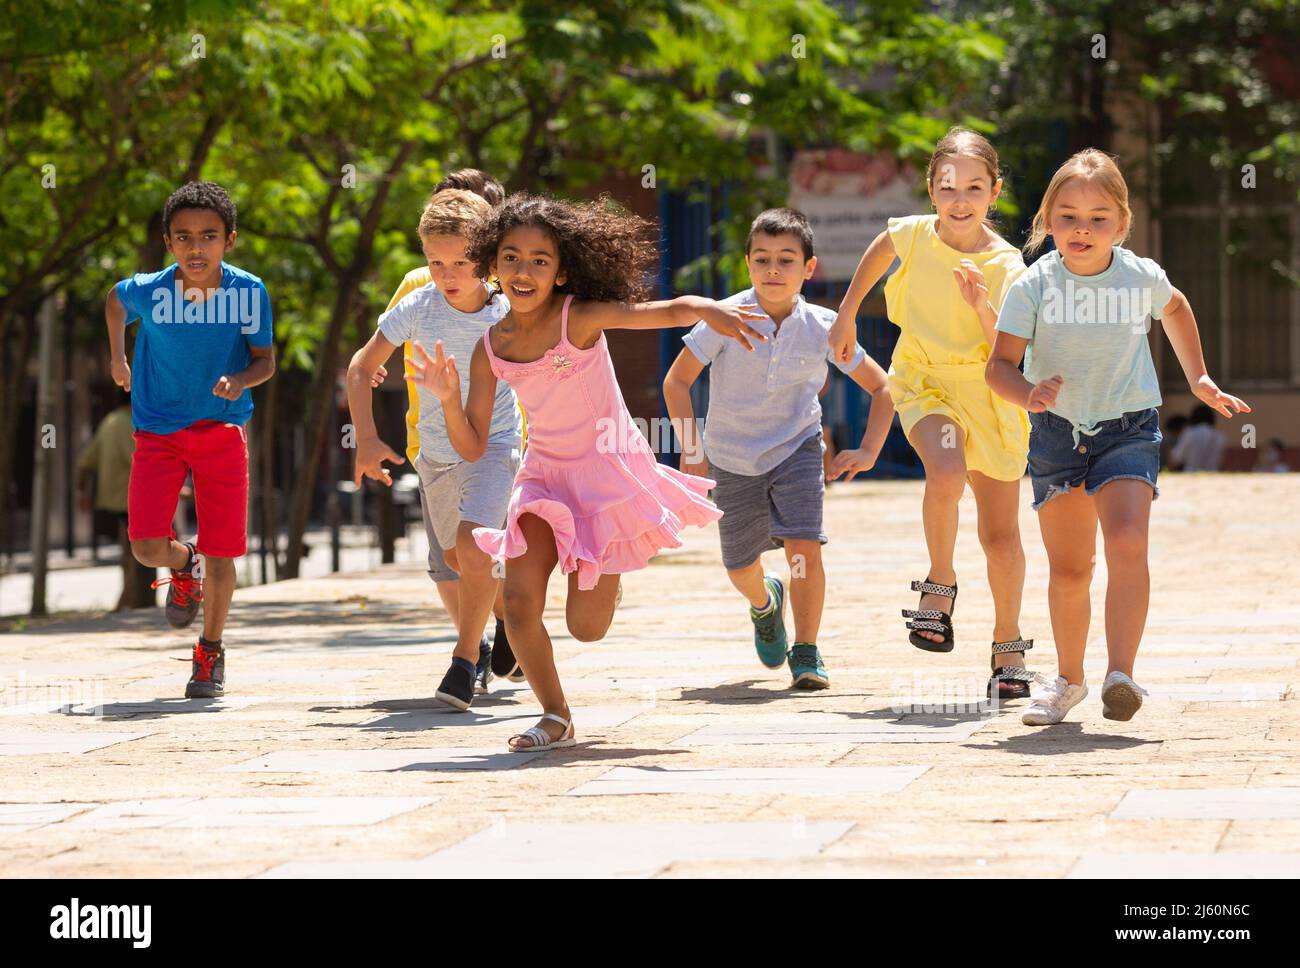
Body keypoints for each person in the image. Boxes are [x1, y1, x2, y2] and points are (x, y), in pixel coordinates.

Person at [410, 193, 765, 751]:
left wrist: (705, 306)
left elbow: (660, 313)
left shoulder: (579, 317)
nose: (523, 271)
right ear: (491, 262)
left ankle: (607, 580)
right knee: (523, 602)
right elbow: (473, 446)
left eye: (539, 260)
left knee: (586, 628)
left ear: (562, 270)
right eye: (510, 257)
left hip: (604, 477)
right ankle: (556, 716)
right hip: (543, 479)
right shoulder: (491, 347)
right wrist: (450, 401)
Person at [986, 149, 1250, 726]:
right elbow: (999, 367)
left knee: (1128, 541)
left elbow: (1176, 309)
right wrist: (1027, 392)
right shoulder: (1033, 285)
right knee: (1071, 570)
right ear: (1047, 221)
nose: (1082, 229)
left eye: (1098, 218)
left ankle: (1120, 676)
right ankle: (1068, 680)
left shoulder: (1139, 277)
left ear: (1122, 225)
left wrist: (1198, 376)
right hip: (1056, 436)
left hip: (1129, 426)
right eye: (1068, 216)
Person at [829, 127, 1038, 700]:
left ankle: (1007, 647)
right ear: (931, 189)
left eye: (975, 187)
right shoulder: (915, 235)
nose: (961, 198)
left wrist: (982, 306)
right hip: (923, 378)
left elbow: (1008, 348)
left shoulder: (1008, 263)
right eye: (949, 187)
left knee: (1000, 538)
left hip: (989, 390)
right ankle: (939, 584)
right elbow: (881, 250)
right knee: (944, 471)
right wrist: (846, 315)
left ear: (994, 191)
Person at [663, 207, 894, 690]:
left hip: (798, 448)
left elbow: (882, 387)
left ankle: (806, 650)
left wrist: (871, 449)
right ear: (747, 264)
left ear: (809, 268)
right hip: (729, 456)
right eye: (762, 258)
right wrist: (691, 450)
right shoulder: (724, 319)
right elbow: (677, 381)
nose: (773, 269)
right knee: (739, 564)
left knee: (803, 547)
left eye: (786, 259)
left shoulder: (825, 326)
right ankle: (765, 602)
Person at [347, 189, 520, 711]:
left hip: (495, 449)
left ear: (487, 260)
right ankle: (510, 614)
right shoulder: (417, 307)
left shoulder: (508, 314)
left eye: (461, 263)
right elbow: (360, 366)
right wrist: (367, 436)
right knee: (454, 556)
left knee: (472, 548)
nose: (448, 274)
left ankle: (464, 663)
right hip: (437, 457)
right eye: (435, 262)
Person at [105, 180, 275, 698]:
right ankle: (185, 563)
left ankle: (210, 653)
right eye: (183, 237)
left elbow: (265, 361)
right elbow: (114, 299)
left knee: (225, 552)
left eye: (209, 236)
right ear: (168, 242)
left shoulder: (249, 293)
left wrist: (240, 381)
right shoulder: (150, 291)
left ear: (230, 239)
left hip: (222, 431)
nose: (196, 247)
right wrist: (118, 355)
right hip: (157, 431)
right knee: (145, 546)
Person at [77, 392, 153, 609]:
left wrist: (81, 493)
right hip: (132, 498)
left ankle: (129, 600)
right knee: (150, 547)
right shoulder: (129, 424)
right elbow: (141, 461)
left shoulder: (108, 422)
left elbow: (85, 462)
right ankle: (132, 600)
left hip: (113, 500)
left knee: (131, 551)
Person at [1169, 404, 1225, 471]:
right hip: (1212, 475)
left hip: (1190, 474)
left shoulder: (1190, 433)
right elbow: (1220, 462)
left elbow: (1176, 458)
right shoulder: (1220, 436)